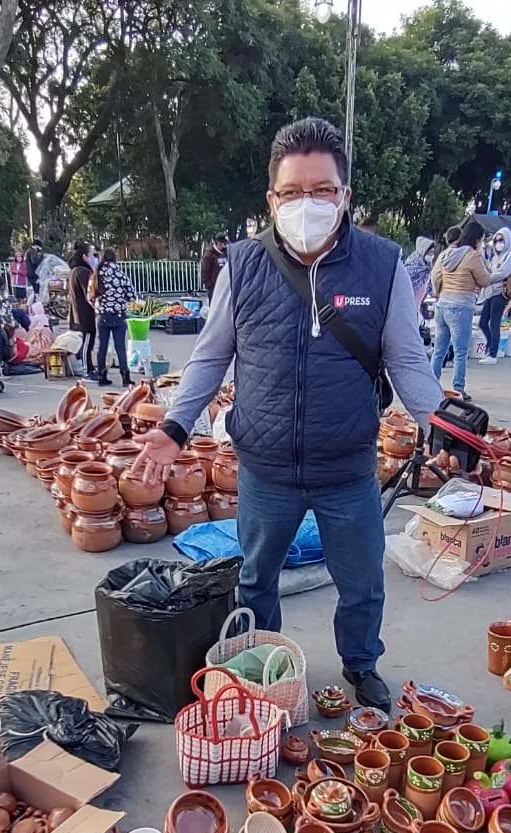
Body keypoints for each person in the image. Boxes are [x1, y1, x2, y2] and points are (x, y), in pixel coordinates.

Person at [124, 116, 443, 711]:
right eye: (293, 192)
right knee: (256, 579)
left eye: (323, 190)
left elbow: (407, 359)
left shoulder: (381, 265)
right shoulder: (242, 264)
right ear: (272, 199)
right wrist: (172, 428)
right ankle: (262, 667)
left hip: (347, 467)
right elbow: (209, 356)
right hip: (265, 467)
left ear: (345, 195)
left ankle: (361, 665)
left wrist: (441, 419)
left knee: (362, 581)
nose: (308, 203)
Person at [429, 220, 489, 391]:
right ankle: (458, 389)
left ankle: (431, 387)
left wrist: (439, 290)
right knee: (460, 352)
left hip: (442, 305)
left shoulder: (446, 254)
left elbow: (435, 276)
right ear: (477, 239)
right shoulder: (472, 255)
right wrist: (483, 257)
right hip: (461, 306)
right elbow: (485, 279)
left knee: (439, 351)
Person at [90, 248, 138, 387]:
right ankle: (125, 376)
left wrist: (99, 306)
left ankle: (101, 376)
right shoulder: (120, 274)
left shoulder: (96, 275)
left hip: (102, 315)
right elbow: (131, 296)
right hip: (118, 315)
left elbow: (90, 295)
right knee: (120, 347)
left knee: (102, 347)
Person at [476, 227, 511, 365]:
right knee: (482, 323)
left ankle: (493, 353)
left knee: (494, 323)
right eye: (496, 240)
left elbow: (503, 273)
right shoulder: (496, 256)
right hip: (490, 292)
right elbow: (490, 270)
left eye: (501, 240)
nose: (498, 243)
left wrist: (487, 279)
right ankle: (490, 346)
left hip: (501, 292)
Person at [67, 242, 97, 375]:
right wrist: (97, 306)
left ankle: (88, 367)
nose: (94, 258)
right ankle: (87, 369)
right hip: (84, 313)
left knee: (87, 341)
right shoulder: (83, 272)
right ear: (84, 256)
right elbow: (89, 294)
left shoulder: (75, 271)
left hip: (79, 312)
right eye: (92, 255)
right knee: (87, 342)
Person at [402, 236, 436, 308]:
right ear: (423, 251)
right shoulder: (411, 267)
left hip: (417, 305)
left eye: (433, 252)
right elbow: (403, 289)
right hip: (406, 306)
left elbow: (430, 288)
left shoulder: (427, 269)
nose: (432, 255)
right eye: (430, 252)